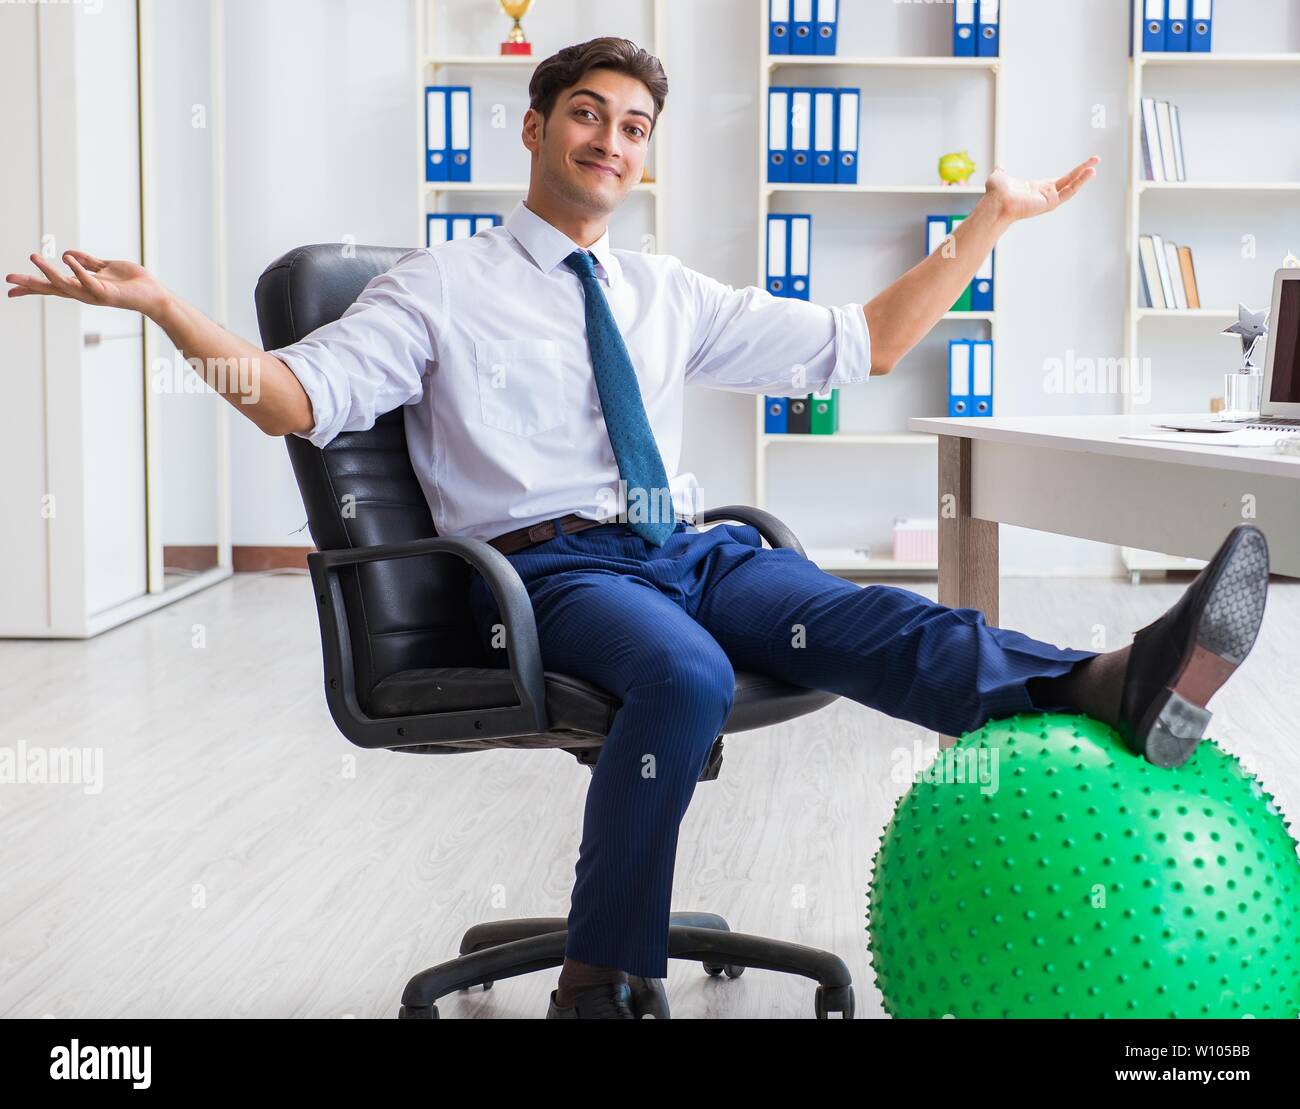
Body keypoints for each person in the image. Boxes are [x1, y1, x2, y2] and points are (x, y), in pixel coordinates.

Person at [6, 37, 1270, 1021]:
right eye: (588, 115)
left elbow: (863, 341)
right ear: (536, 130)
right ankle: (599, 980)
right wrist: (169, 307)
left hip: (685, 545)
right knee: (683, 671)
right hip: (545, 566)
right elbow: (293, 397)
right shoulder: (437, 288)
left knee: (864, 613)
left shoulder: (660, 288)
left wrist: (986, 224)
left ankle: (1107, 681)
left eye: (634, 126)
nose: (612, 140)